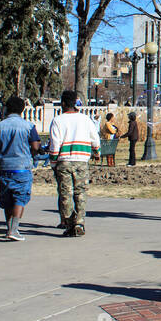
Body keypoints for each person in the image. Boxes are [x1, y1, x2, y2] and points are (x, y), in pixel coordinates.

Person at [0, 95, 42, 242]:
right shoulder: (28, 126)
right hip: (22, 167)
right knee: (20, 197)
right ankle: (14, 229)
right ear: (22, 109)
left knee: (6, 199)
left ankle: (9, 227)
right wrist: (32, 154)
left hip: (3, 167)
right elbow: (35, 146)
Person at [48, 90, 100, 237]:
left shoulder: (58, 120)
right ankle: (80, 222)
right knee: (81, 192)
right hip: (82, 161)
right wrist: (96, 152)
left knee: (66, 193)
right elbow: (95, 139)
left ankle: (69, 224)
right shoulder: (85, 119)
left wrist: (53, 162)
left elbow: (55, 145)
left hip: (64, 161)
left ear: (63, 103)